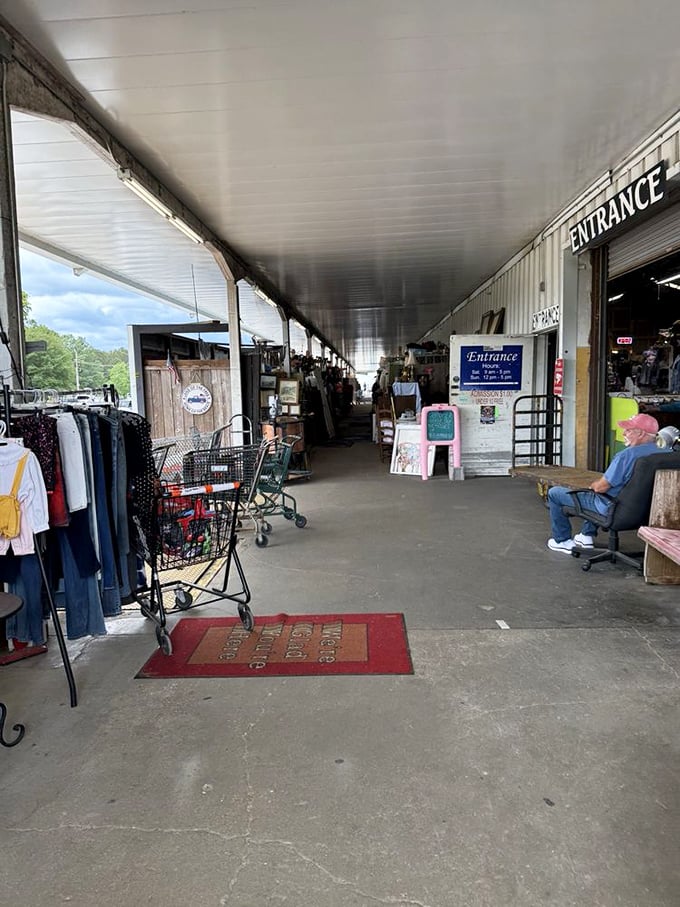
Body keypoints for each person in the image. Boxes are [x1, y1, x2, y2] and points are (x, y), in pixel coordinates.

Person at [546, 413, 661, 553]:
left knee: (555, 493)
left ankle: (562, 540)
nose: (624, 433)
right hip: (648, 512)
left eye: (628, 430)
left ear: (641, 433)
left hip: (614, 508)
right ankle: (585, 536)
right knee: (600, 495)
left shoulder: (627, 456)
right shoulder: (665, 453)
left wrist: (594, 485)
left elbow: (601, 487)